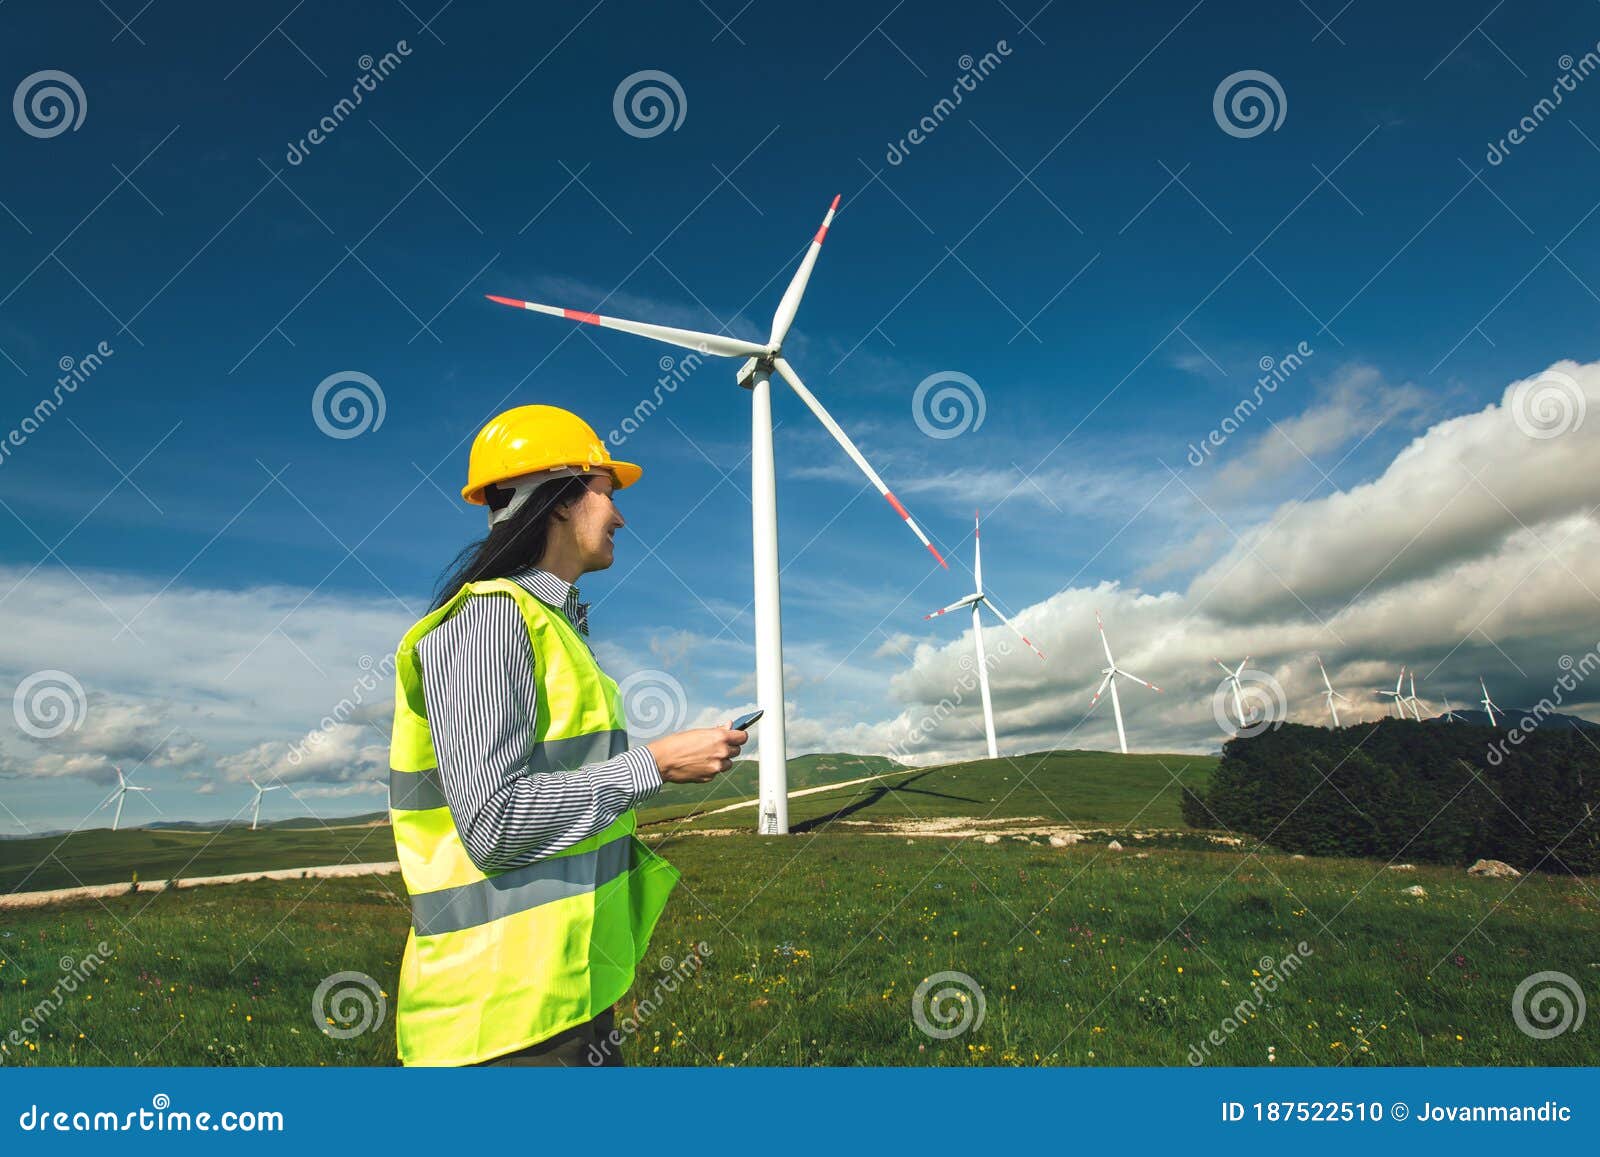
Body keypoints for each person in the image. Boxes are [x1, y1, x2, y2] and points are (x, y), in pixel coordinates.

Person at [387, 404, 748, 1066]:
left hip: (559, 998)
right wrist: (656, 764)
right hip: (502, 1021)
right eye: (607, 493)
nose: (619, 515)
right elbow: (495, 824)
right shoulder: (491, 622)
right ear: (557, 499)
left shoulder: (550, 627)